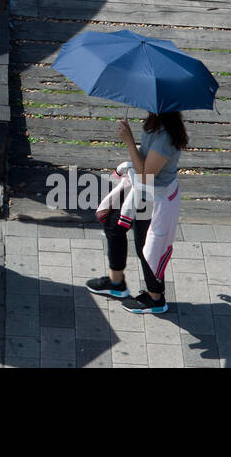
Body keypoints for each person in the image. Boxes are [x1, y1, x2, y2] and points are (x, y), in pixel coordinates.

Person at [85, 112, 188, 314]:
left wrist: (129, 141)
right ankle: (116, 284)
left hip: (154, 198)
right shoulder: (155, 122)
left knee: (147, 248)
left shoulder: (166, 137)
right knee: (113, 225)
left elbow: (146, 176)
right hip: (141, 189)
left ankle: (156, 298)